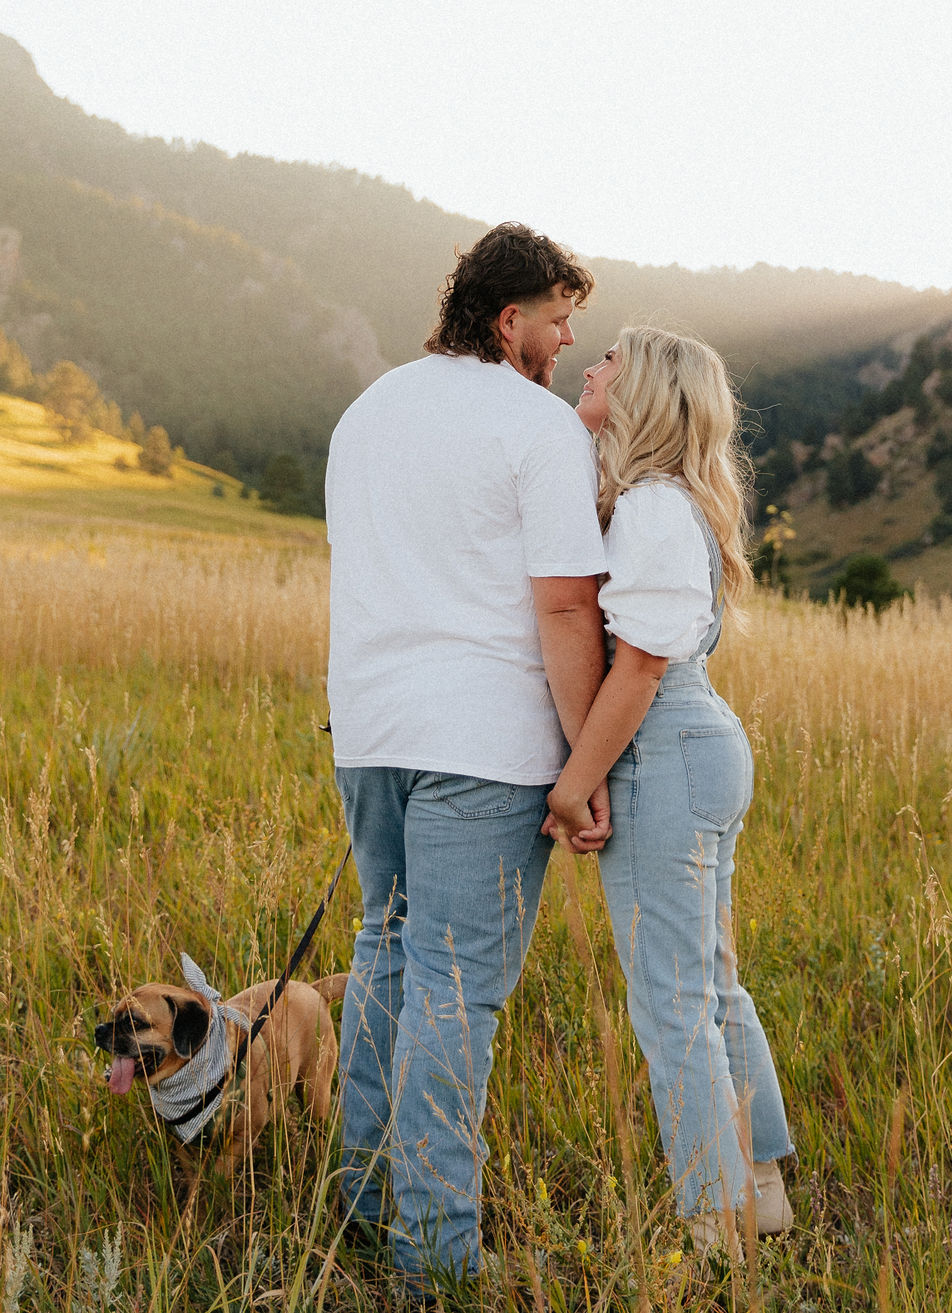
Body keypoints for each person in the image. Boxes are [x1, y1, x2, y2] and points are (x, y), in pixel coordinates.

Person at [324, 223, 609, 1295]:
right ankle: (436, 1257)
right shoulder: (535, 426)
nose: (568, 337)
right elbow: (565, 598)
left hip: (369, 727)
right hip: (480, 741)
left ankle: (354, 1208)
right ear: (508, 320)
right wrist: (585, 761)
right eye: (557, 317)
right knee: (455, 990)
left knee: (386, 952)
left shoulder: (368, 410)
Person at [543, 326, 795, 1262]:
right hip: (702, 743)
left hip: (665, 746)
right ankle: (758, 1186)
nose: (592, 367)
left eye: (609, 359)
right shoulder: (676, 502)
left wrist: (577, 785)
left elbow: (641, 664)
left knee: (670, 999)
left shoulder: (650, 505)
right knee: (709, 981)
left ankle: (714, 1222)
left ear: (644, 391)